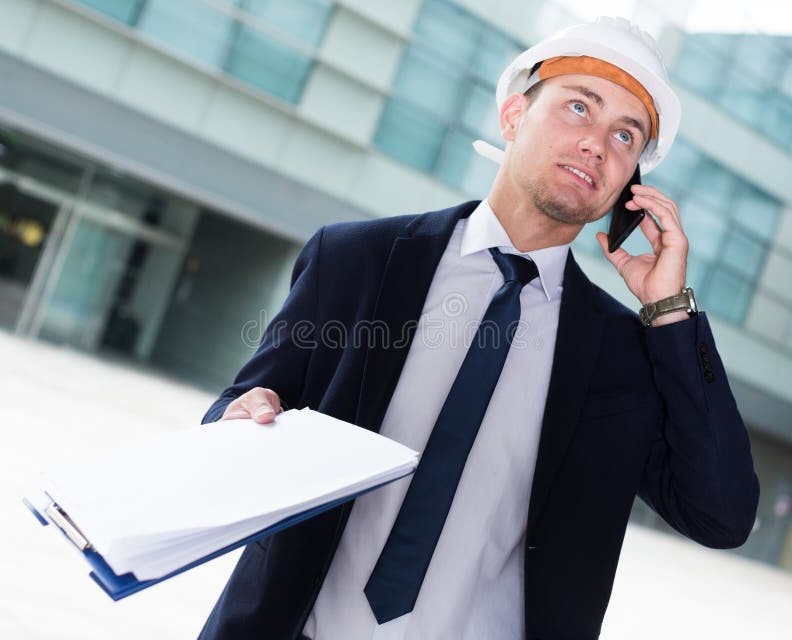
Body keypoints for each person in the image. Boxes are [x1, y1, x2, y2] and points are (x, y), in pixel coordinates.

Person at [198, 17, 759, 640]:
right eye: (580, 107)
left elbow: (722, 515)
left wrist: (670, 312)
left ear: (629, 186)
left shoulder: (626, 353)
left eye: (625, 136)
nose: (599, 145)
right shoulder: (354, 260)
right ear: (514, 115)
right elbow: (238, 408)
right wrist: (240, 419)